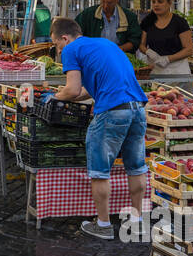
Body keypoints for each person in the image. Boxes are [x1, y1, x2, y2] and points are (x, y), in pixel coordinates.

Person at [51, 17, 149, 240]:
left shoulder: (71, 49)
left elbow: (73, 90)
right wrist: (69, 94)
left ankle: (103, 225)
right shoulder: (105, 44)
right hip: (137, 109)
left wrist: (53, 97)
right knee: (136, 167)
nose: (58, 50)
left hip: (112, 113)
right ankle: (137, 221)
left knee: (100, 172)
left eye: (57, 45)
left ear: (64, 38)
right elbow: (88, 90)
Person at [140, 0, 193, 76]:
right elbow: (141, 45)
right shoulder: (147, 21)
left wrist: (168, 59)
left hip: (178, 69)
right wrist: (149, 52)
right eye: (153, 2)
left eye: (160, 2)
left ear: (169, 3)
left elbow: (188, 50)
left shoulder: (179, 22)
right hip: (155, 68)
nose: (156, 5)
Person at [75, 0, 142, 53]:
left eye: (109, 3)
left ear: (117, 0)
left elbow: (135, 40)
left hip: (119, 57)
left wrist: (119, 49)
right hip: (93, 57)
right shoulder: (88, 14)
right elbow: (75, 30)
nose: (105, 6)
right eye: (103, 1)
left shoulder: (129, 17)